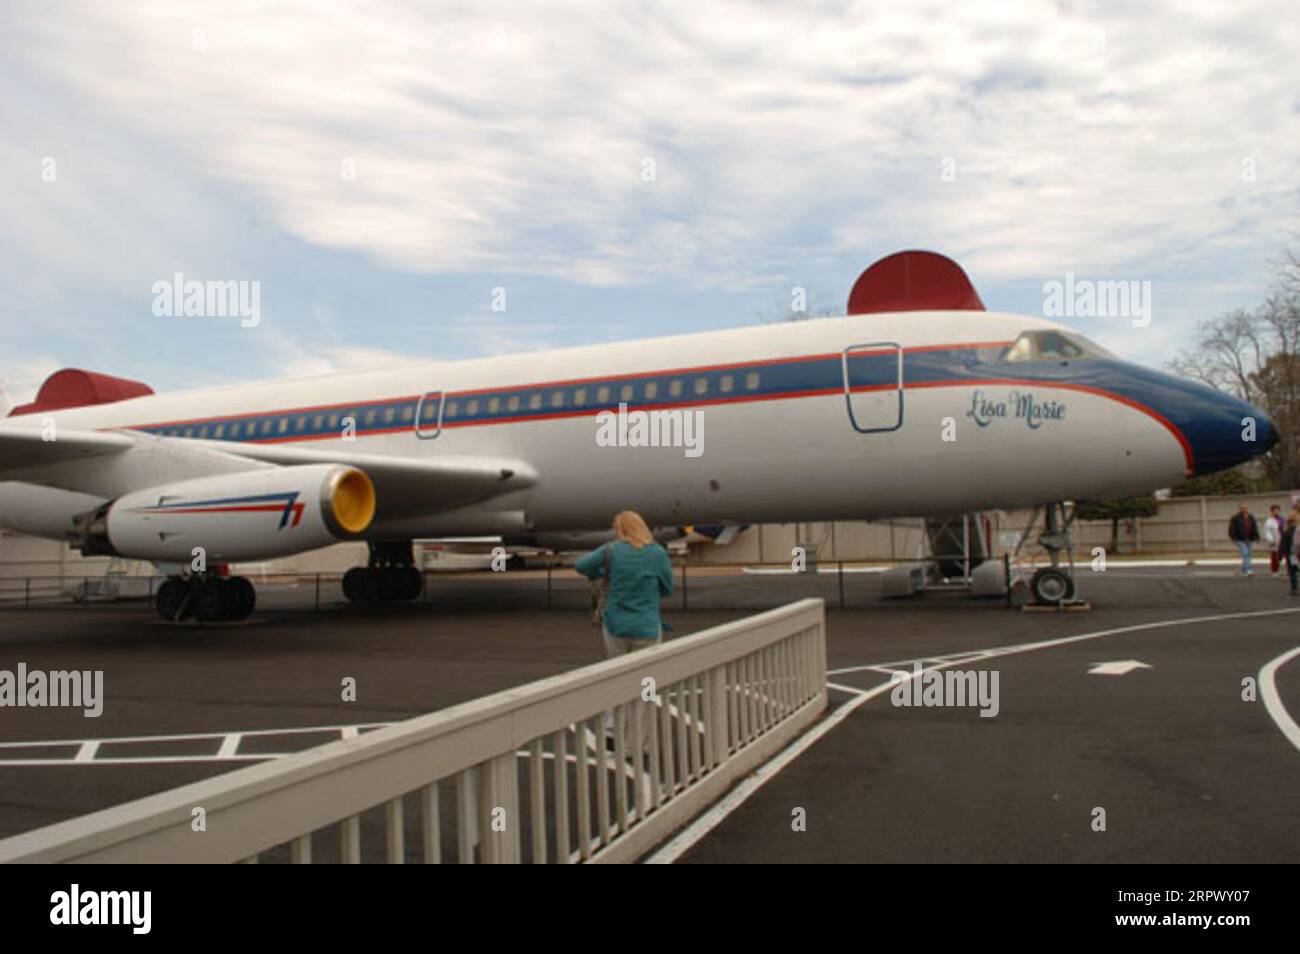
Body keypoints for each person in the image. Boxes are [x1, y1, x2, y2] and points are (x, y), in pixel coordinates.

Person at [575, 510, 675, 749]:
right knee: (646, 684)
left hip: (615, 625)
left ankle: (611, 728)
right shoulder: (657, 553)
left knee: (617, 677)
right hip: (647, 627)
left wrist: (603, 572)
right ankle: (640, 742)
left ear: (620, 530)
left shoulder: (612, 551)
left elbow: (581, 566)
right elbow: (668, 587)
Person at [1228, 503, 1259, 576]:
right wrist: (1233, 538)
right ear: (1240, 509)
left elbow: (1255, 527)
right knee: (1245, 553)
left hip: (1249, 538)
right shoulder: (1235, 518)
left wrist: (1256, 537)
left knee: (1249, 554)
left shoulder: (1251, 517)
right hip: (1240, 539)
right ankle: (1249, 570)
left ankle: (1242, 569)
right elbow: (1231, 528)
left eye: (1246, 508)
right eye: (1243, 508)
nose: (1244, 509)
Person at [1263, 504, 1284, 576]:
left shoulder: (1281, 519)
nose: (1277, 512)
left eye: (1278, 511)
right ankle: (1274, 571)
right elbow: (1267, 531)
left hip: (1282, 539)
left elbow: (1283, 529)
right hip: (1274, 541)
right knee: (1274, 557)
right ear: (1271, 512)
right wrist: (1270, 539)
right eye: (1275, 511)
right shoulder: (1269, 521)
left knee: (1281, 556)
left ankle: (1279, 569)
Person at [1283, 511, 1299, 596]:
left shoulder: (1287, 530)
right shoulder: (1293, 530)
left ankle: (1294, 588)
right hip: (1294, 553)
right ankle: (1294, 588)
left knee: (1293, 570)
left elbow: (1283, 544)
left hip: (1292, 553)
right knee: (1294, 570)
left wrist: (1281, 554)